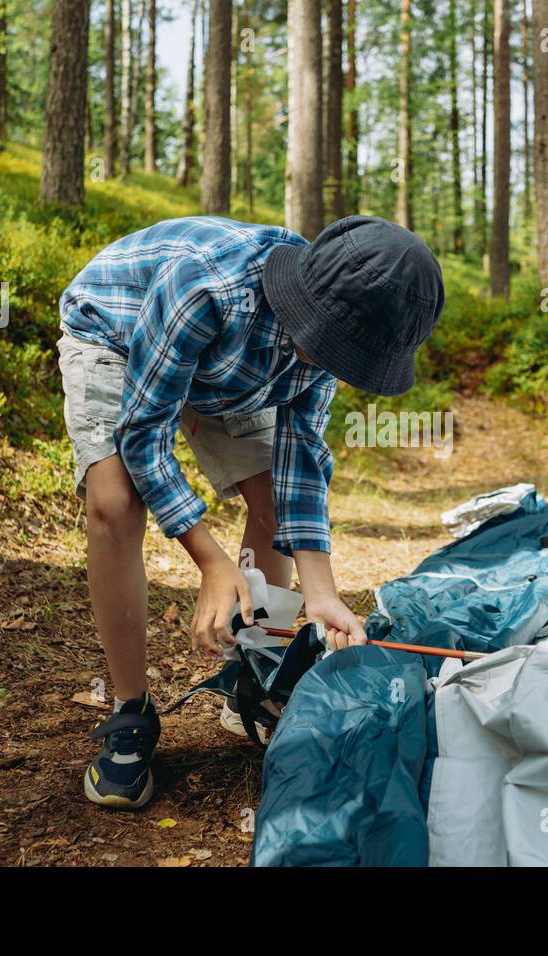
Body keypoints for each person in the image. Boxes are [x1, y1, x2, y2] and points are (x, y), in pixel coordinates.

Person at [55, 215, 445, 809]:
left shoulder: (326, 351)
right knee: (115, 503)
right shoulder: (208, 286)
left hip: (238, 374)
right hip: (120, 332)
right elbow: (144, 430)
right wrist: (211, 562)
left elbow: (301, 463)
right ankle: (131, 712)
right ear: (306, 301)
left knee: (270, 506)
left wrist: (323, 593)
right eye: (332, 345)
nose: (330, 363)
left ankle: (252, 683)